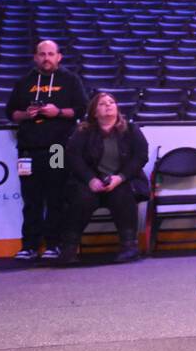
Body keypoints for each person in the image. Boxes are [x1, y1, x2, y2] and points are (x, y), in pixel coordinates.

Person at [5, 40, 88, 261]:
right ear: (35, 57)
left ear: (59, 57)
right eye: (42, 54)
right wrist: (26, 114)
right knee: (31, 199)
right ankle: (29, 246)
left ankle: (54, 244)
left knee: (56, 196)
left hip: (57, 148)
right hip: (28, 148)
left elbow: (81, 109)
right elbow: (11, 112)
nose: (46, 58)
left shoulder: (70, 80)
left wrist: (57, 111)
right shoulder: (24, 82)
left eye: (51, 54)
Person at [60, 92, 149, 264]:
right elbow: (73, 157)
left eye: (111, 102)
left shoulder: (131, 130)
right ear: (94, 112)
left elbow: (141, 157)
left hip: (120, 181)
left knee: (123, 195)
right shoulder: (83, 132)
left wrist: (120, 177)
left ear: (117, 108)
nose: (108, 105)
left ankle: (129, 246)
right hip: (91, 182)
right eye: (102, 103)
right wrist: (90, 179)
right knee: (82, 198)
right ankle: (69, 248)